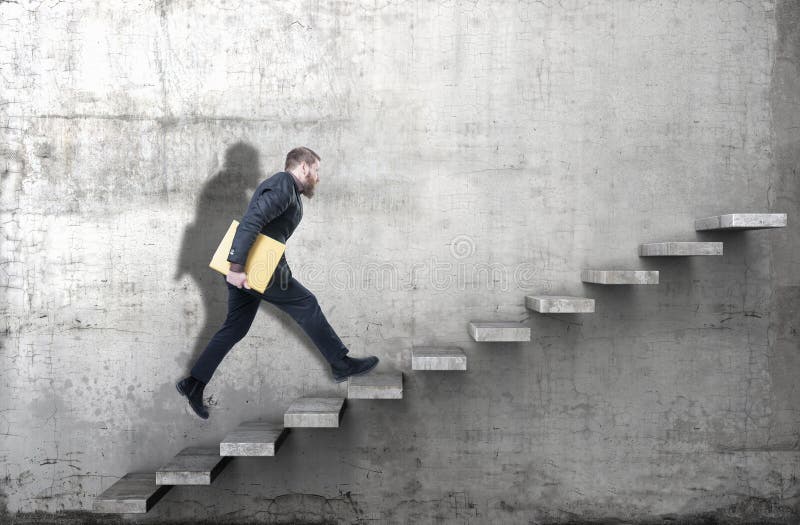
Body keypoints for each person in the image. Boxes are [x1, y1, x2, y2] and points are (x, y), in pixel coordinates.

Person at [176, 147, 379, 419]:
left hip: (259, 267)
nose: (318, 177)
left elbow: (272, 235)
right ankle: (340, 363)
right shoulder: (284, 184)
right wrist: (236, 267)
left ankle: (194, 383)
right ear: (304, 167)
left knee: (235, 327)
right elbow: (252, 221)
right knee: (306, 304)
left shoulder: (290, 192)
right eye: (316, 170)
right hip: (253, 267)